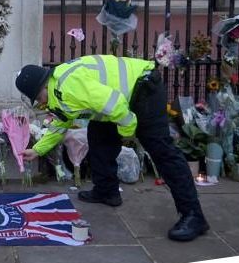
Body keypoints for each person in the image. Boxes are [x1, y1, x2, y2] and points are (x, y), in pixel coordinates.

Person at [14, 56, 209, 242]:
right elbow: (62, 122)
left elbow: (116, 106)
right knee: (98, 137)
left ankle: (194, 216)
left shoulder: (69, 86)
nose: (40, 103)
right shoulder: (58, 89)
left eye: (38, 98)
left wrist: (127, 132)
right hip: (121, 100)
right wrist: (38, 150)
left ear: (43, 86)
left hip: (143, 89)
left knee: (162, 151)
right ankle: (107, 191)